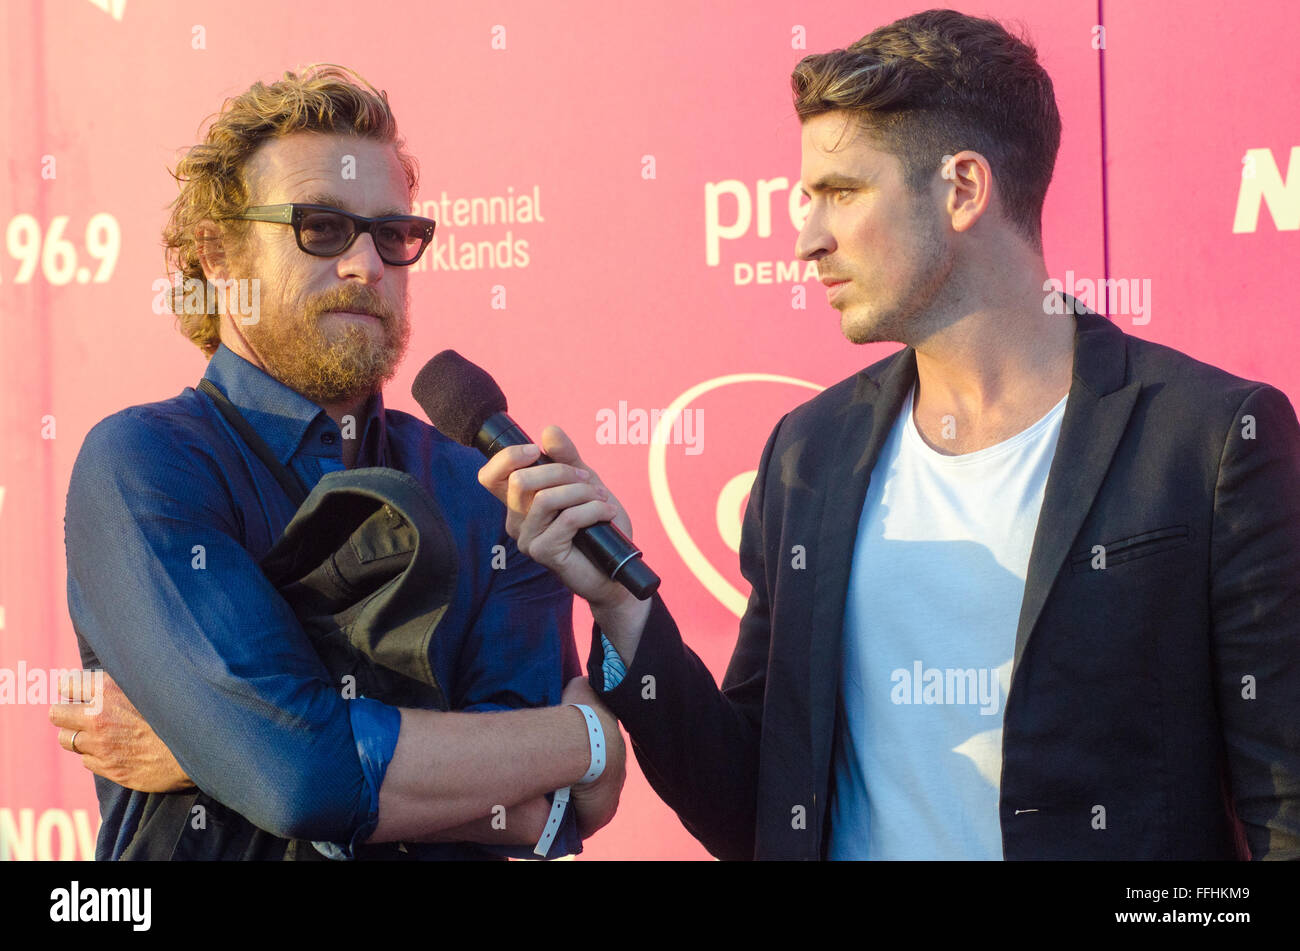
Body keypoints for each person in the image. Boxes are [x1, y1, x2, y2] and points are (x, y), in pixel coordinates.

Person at [477, 9, 1300, 860]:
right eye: (806, 200)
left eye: (841, 192)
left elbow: (1285, 803)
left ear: (963, 189)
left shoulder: (1208, 438)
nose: (806, 239)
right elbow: (751, 806)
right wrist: (621, 605)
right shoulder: (809, 454)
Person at [49, 65, 624, 861]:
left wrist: (210, 748)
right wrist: (586, 737)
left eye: (393, 235)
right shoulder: (144, 463)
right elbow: (299, 777)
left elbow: (540, 815)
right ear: (217, 255)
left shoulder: (483, 482)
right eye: (321, 227)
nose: (366, 266)